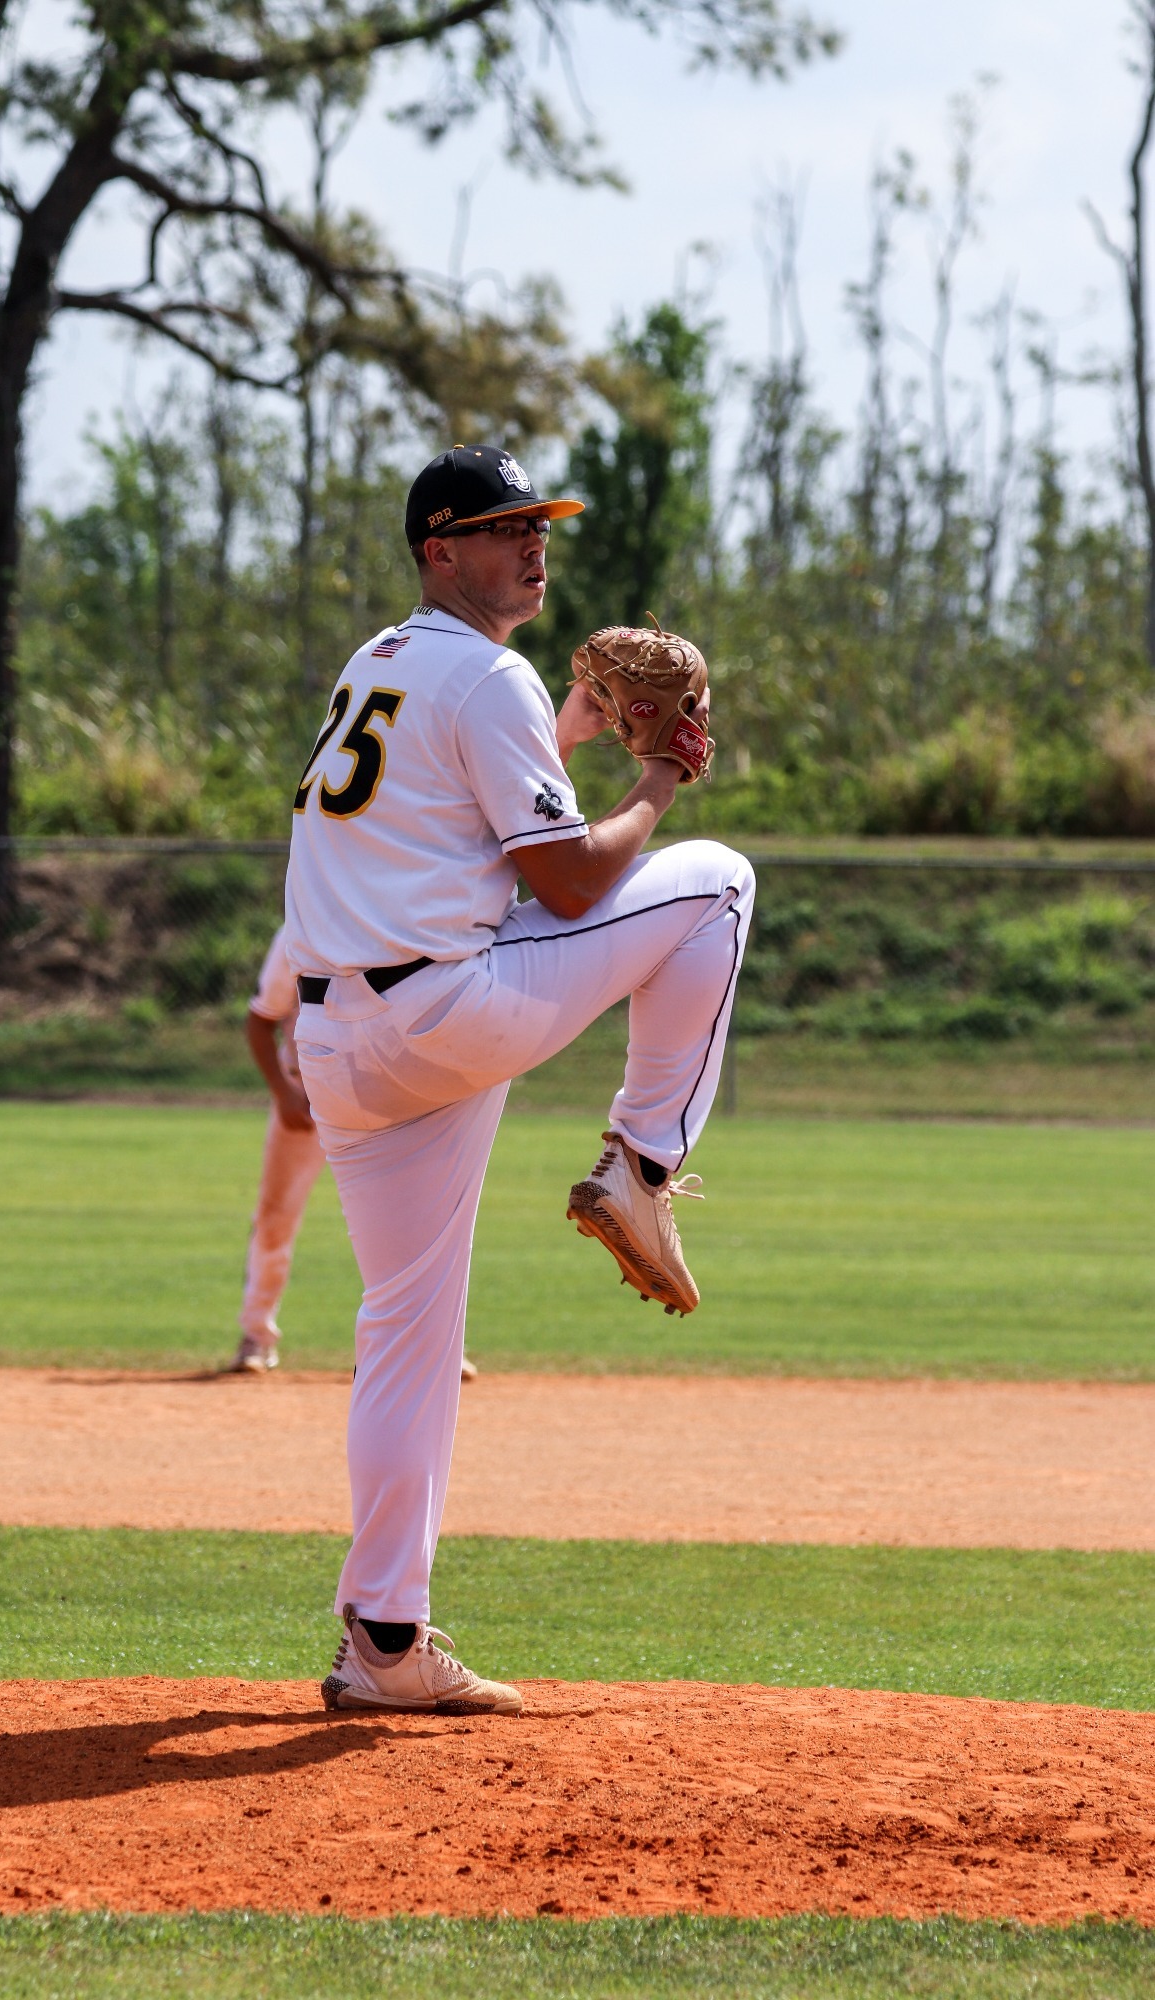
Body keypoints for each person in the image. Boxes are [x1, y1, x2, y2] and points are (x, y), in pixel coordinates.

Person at [285, 444, 755, 1715]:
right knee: (717, 882)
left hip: (344, 1040)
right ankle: (642, 1160)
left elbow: (451, 827)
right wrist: (658, 776)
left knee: (409, 1329)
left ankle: (385, 1641)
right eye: (502, 527)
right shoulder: (488, 670)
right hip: (445, 1010)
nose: (532, 543)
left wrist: (570, 736)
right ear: (439, 548)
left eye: (537, 523)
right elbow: (569, 883)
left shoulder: (380, 662)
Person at [230, 929, 479, 1382]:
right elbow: (261, 1018)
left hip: (384, 1095)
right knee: (276, 1215)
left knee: (413, 1222)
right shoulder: (300, 930)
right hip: (308, 1095)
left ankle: (430, 1345)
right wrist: (283, 1093)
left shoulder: (398, 924)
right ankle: (255, 1335)